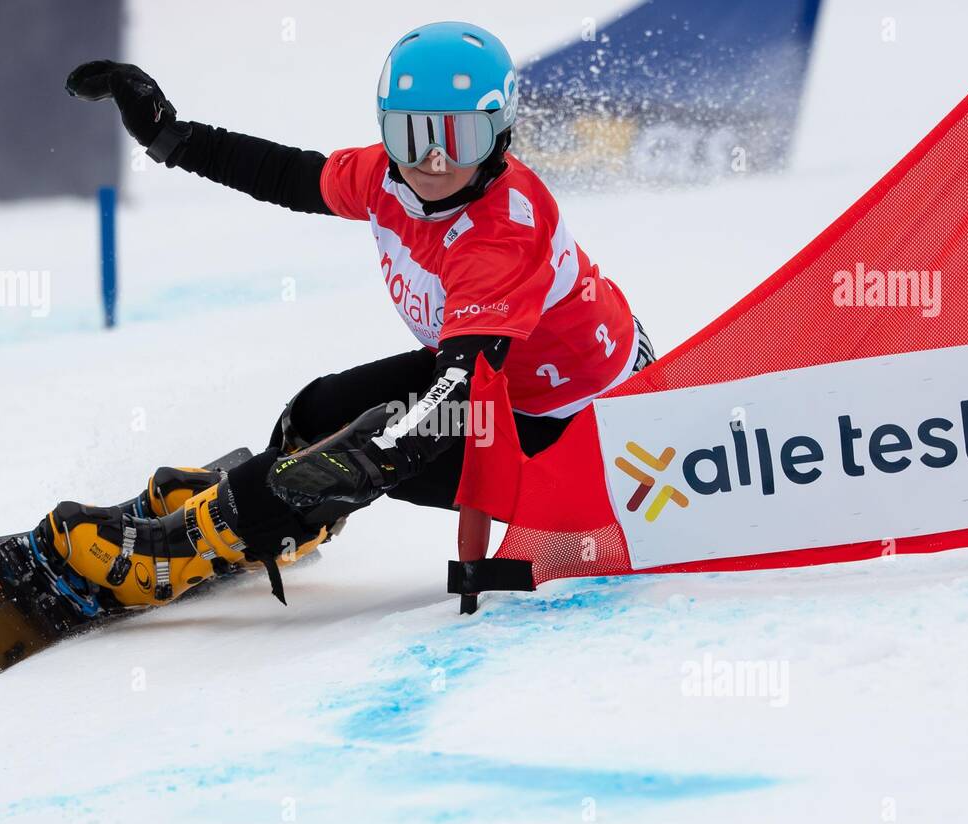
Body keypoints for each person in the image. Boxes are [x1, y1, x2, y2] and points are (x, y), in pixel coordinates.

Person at [37, 21, 654, 614]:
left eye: (460, 138)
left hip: (577, 438)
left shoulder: (500, 236)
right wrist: (170, 136)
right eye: (413, 134)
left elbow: (460, 397)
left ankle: (194, 541)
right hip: (507, 386)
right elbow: (289, 177)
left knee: (358, 449)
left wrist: (347, 464)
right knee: (315, 418)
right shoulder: (387, 177)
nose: (435, 161)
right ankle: (269, 516)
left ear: (501, 136)